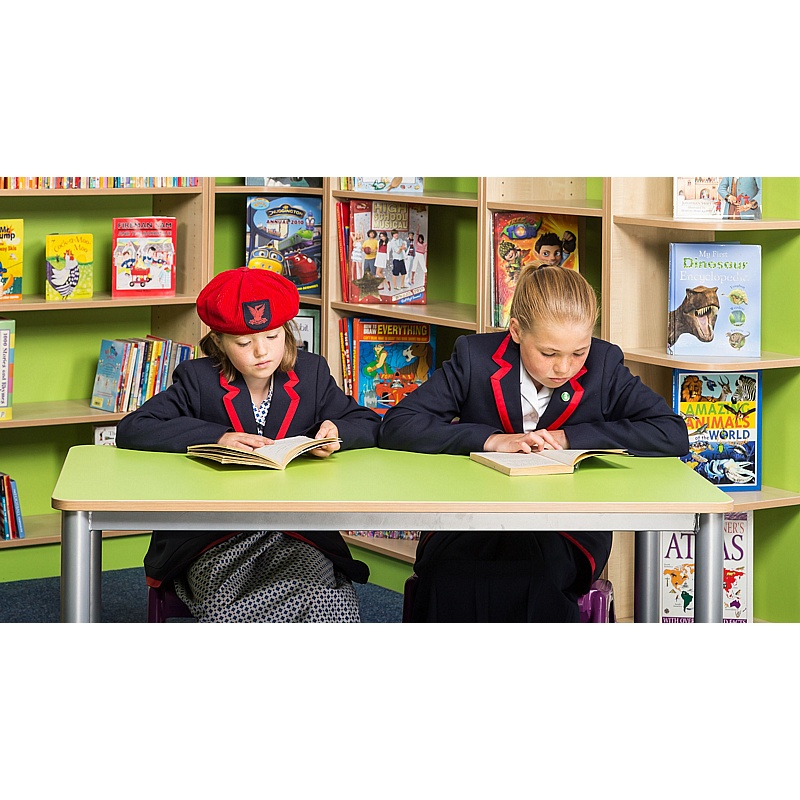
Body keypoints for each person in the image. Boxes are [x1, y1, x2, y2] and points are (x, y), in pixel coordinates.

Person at [378, 264, 689, 622]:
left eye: (578, 352)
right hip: (473, 516)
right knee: (453, 573)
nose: (565, 368)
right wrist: (491, 440)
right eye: (549, 353)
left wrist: (569, 438)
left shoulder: (603, 364)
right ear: (516, 331)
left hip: (566, 526)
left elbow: (670, 431)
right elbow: (398, 425)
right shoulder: (473, 357)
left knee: (536, 575)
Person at [116, 267, 381, 622]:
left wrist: (336, 431)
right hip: (216, 534)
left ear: (287, 333)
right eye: (244, 343)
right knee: (228, 604)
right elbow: (134, 428)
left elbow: (368, 423)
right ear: (219, 342)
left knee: (325, 596)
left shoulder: (312, 373)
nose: (261, 351)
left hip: (295, 531)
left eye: (273, 337)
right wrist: (217, 437)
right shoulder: (198, 379)